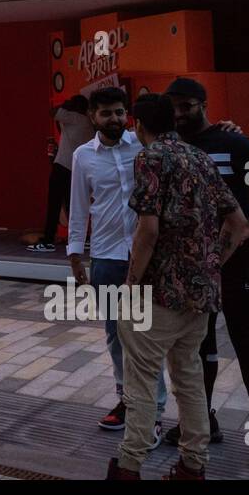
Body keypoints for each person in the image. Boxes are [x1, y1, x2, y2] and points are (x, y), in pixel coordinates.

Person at [107, 95, 246, 480]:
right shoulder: (199, 157)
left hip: (158, 295)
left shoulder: (150, 159)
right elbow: (238, 222)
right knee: (190, 381)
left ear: (138, 124)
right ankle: (192, 465)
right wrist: (211, 261)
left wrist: (131, 283)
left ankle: (128, 466)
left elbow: (148, 230)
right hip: (199, 296)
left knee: (140, 383)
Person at [165, 76, 249, 473]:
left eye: (188, 105)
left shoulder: (234, 143)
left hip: (238, 266)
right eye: (175, 107)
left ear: (204, 104)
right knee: (198, 350)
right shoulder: (173, 147)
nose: (181, 113)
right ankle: (202, 423)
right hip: (195, 267)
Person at [66, 86, 168, 439]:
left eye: (120, 112)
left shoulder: (144, 146)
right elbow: (80, 206)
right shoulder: (83, 156)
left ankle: (153, 410)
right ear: (93, 117)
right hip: (108, 257)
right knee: (115, 335)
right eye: (106, 113)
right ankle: (126, 400)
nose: (114, 119)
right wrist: (75, 252)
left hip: (146, 256)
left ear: (128, 116)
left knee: (145, 335)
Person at [32, 95, 92, 252]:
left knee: (54, 203)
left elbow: (53, 112)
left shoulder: (72, 117)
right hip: (78, 169)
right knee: (74, 206)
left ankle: (48, 240)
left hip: (63, 166)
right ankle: (81, 239)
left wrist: (66, 104)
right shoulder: (89, 123)